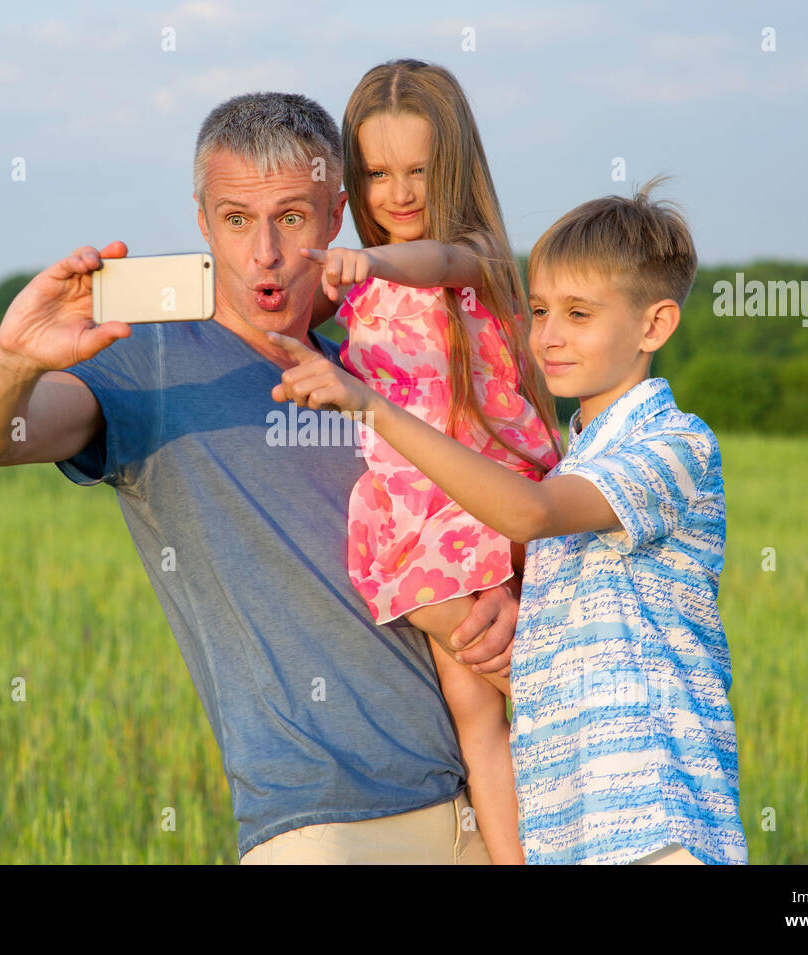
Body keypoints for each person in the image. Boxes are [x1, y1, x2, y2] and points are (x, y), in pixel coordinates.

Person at [0, 91, 523, 864]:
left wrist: (510, 596)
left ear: (337, 214)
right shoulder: (146, 359)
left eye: (291, 217)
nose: (264, 255)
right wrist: (13, 357)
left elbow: (505, 503)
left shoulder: (381, 363)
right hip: (321, 831)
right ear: (202, 220)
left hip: (484, 812)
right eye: (236, 220)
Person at [267, 175, 750, 865]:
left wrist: (367, 405)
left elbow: (528, 512)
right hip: (573, 832)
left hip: (659, 825)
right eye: (541, 311)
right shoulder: (570, 462)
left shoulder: (673, 445)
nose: (549, 336)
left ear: (655, 324)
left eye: (580, 315)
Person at [301, 59, 562, 864]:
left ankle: (625, 791)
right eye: (377, 174)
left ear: (452, 168)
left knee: (540, 687)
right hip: (411, 513)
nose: (399, 192)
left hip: (482, 498)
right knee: (471, 705)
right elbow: (262, 300)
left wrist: (369, 262)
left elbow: (434, 263)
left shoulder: (472, 256)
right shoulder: (346, 280)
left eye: (419, 171)